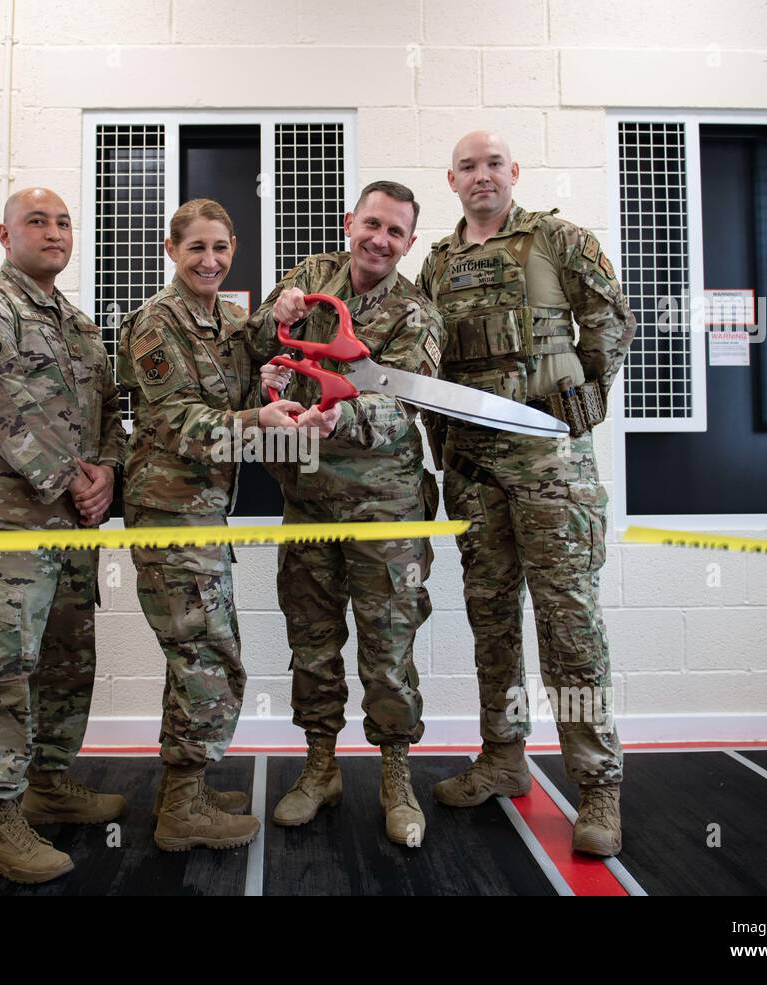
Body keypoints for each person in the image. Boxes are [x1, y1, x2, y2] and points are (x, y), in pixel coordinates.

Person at [415, 131, 637, 856]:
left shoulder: (558, 238)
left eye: (493, 165)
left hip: (550, 468)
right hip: (474, 472)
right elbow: (421, 356)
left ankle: (597, 784)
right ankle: (503, 757)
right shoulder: (438, 263)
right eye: (468, 167)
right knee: (492, 619)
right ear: (452, 181)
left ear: (515, 172)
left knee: (569, 622)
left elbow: (610, 316)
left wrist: (586, 399)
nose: (482, 176)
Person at [0, 187, 126, 883]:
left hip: (69, 529)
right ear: (5, 234)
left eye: (63, 221)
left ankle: (47, 783)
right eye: (36, 221)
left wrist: (108, 472)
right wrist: (73, 478)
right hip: (3, 527)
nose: (53, 231)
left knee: (68, 661)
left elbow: (104, 411)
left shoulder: (77, 323)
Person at [248, 180, 445, 847]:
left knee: (389, 652)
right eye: (372, 225)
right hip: (307, 502)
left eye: (395, 232)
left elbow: (404, 407)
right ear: (349, 223)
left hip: (384, 513)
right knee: (312, 641)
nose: (380, 240)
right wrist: (270, 316)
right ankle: (320, 767)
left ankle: (395, 778)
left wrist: (344, 415)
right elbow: (256, 344)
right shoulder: (309, 280)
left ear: (409, 242)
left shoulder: (417, 313)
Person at [118, 199, 307, 852]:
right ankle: (182, 812)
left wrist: (268, 374)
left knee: (199, 656)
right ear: (171, 251)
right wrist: (259, 421)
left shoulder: (224, 318)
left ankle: (186, 790)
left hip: (203, 512)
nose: (210, 260)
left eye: (221, 247)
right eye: (196, 247)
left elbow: (249, 353)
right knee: (207, 658)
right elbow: (181, 424)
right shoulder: (155, 323)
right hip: (169, 516)